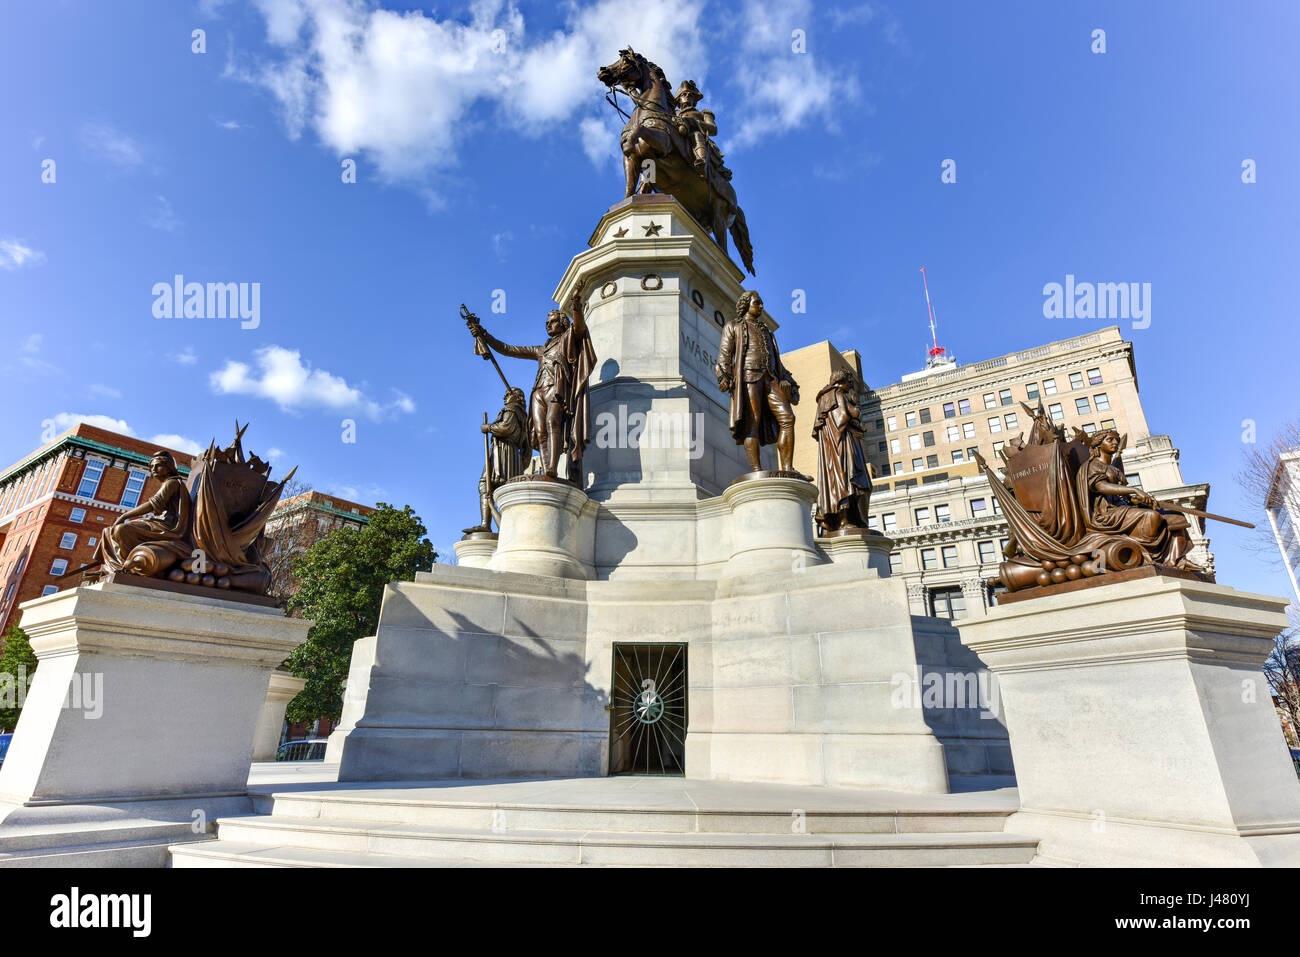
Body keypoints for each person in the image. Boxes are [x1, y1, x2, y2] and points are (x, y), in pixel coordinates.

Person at [466, 281, 596, 483]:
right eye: (546, 322)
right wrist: (484, 334)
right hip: (538, 391)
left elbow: (579, 326)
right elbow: (508, 349)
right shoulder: (540, 350)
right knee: (540, 430)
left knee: (553, 424)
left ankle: (552, 468)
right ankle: (546, 469)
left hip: (557, 389)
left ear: (562, 323)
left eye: (552, 321)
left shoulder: (568, 339)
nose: (548, 325)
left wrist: (575, 300)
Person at [1076, 429, 1202, 569]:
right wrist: (1135, 489)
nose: (1115, 443)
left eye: (1116, 440)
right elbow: (1101, 486)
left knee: (1176, 517)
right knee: (1151, 516)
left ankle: (1178, 560)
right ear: (1098, 445)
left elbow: (1124, 497)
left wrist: (1140, 500)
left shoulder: (1114, 469)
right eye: (1110, 440)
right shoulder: (1092, 465)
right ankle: (1148, 556)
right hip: (1106, 514)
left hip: (1123, 509)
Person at [714, 290, 799, 473]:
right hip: (748, 376)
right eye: (757, 303)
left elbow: (777, 361)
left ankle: (787, 468)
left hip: (770, 378)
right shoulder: (734, 326)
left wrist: (787, 381)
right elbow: (724, 356)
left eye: (761, 303)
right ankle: (756, 470)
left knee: (788, 418)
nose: (761, 306)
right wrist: (724, 377)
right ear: (746, 304)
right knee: (752, 422)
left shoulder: (767, 331)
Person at [92, 451, 192, 577]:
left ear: (169, 468)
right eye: (151, 467)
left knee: (122, 530)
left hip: (168, 526)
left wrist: (124, 516)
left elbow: (152, 504)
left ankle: (128, 567)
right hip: (159, 522)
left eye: (158, 465)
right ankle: (111, 567)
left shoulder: (172, 482)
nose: (154, 469)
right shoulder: (169, 483)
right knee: (108, 531)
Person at [811, 369, 872, 533]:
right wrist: (855, 412)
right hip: (842, 445)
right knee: (846, 482)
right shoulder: (835, 393)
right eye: (850, 381)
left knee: (847, 482)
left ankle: (849, 519)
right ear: (843, 381)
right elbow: (842, 417)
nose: (851, 385)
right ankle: (845, 521)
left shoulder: (826, 397)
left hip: (838, 445)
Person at [465, 387, 531, 533]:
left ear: (515, 397)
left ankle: (485, 524)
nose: (505, 397)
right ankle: (499, 524)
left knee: (485, 484)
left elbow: (505, 428)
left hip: (503, 452)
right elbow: (527, 446)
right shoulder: (523, 416)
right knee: (500, 489)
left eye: (508, 394)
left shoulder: (511, 409)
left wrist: (487, 427)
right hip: (511, 455)